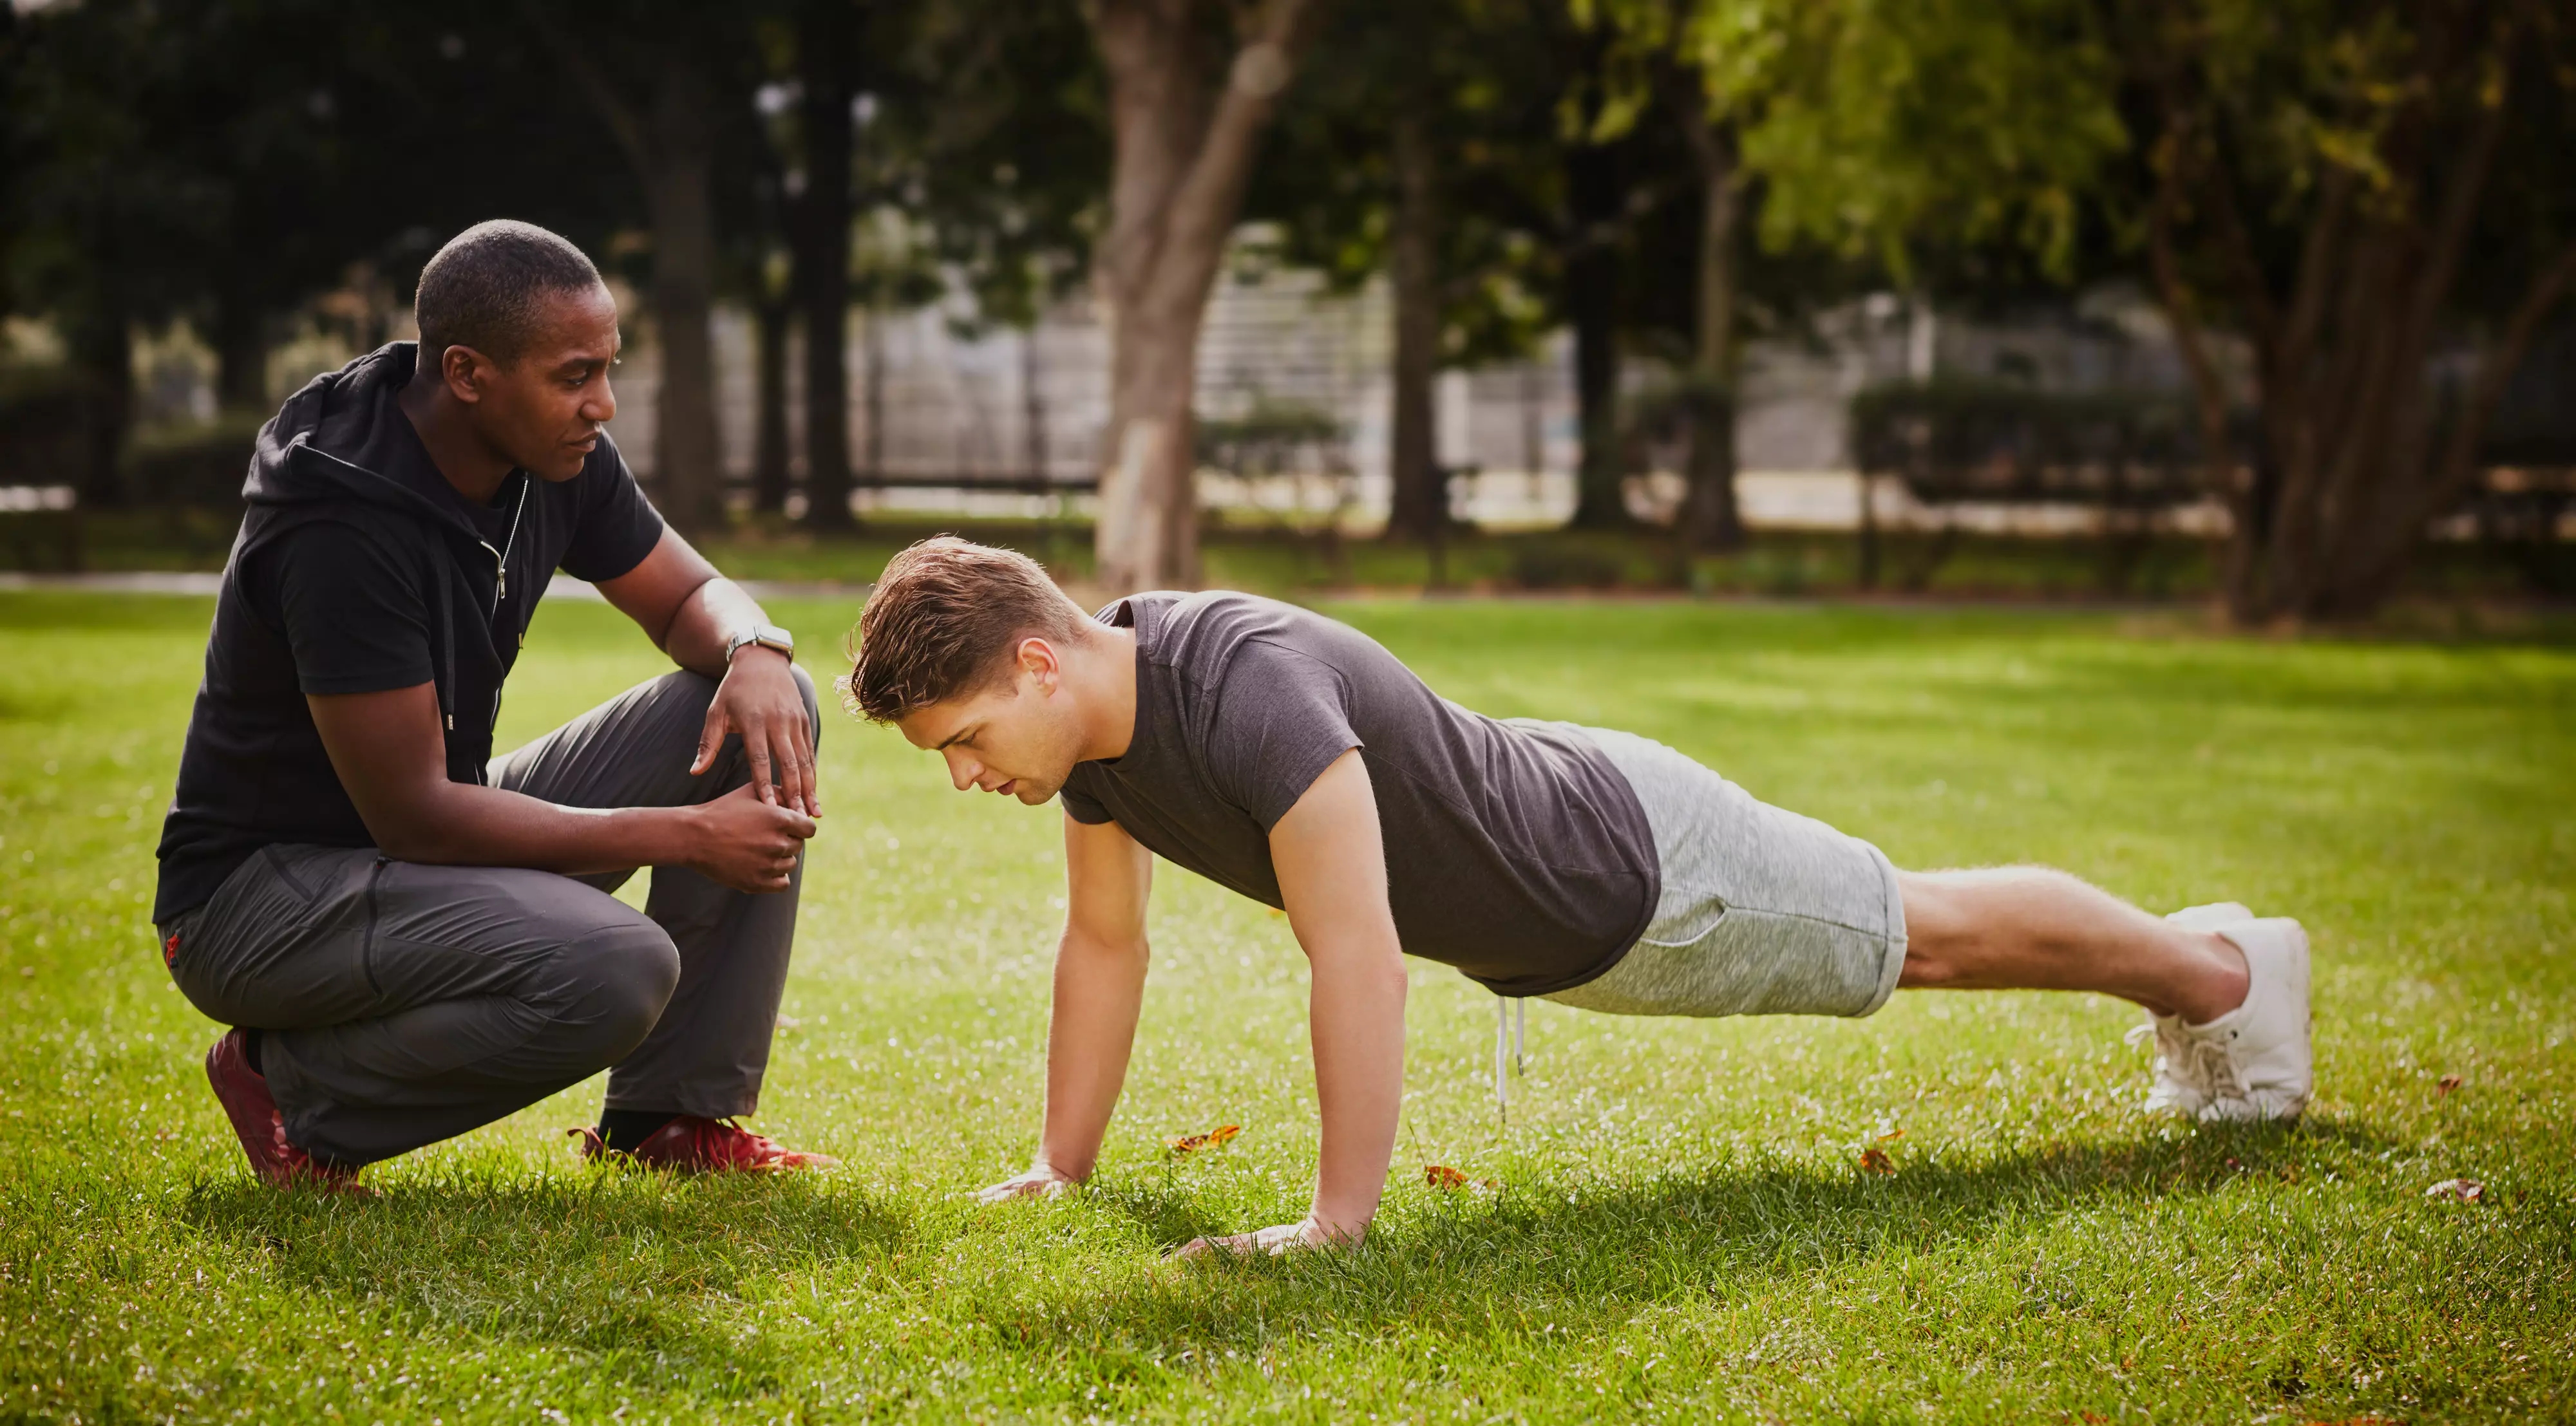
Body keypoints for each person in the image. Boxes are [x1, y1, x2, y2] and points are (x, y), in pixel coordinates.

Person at [842, 537, 2313, 1257]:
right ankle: (2209, 974)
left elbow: (1352, 957)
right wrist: (1061, 1166)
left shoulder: (1248, 696)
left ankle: (2223, 983)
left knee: (1916, 935)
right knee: (1912, 927)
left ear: (1035, 662)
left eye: (965, 741)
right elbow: (1105, 940)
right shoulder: (1096, 740)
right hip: (1572, 855)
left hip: (1638, 879)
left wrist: (1333, 1225)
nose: (969, 777)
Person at [155, 220, 834, 1192]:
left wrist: (755, 643)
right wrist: (689, 834)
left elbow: (692, 599)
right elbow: (418, 816)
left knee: (767, 702)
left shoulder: (551, 451)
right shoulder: (341, 519)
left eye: (607, 369)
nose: (601, 404)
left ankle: (669, 1121)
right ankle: (288, 1085)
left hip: (412, 845)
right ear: (469, 374)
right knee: (617, 967)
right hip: (256, 901)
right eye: (573, 376)